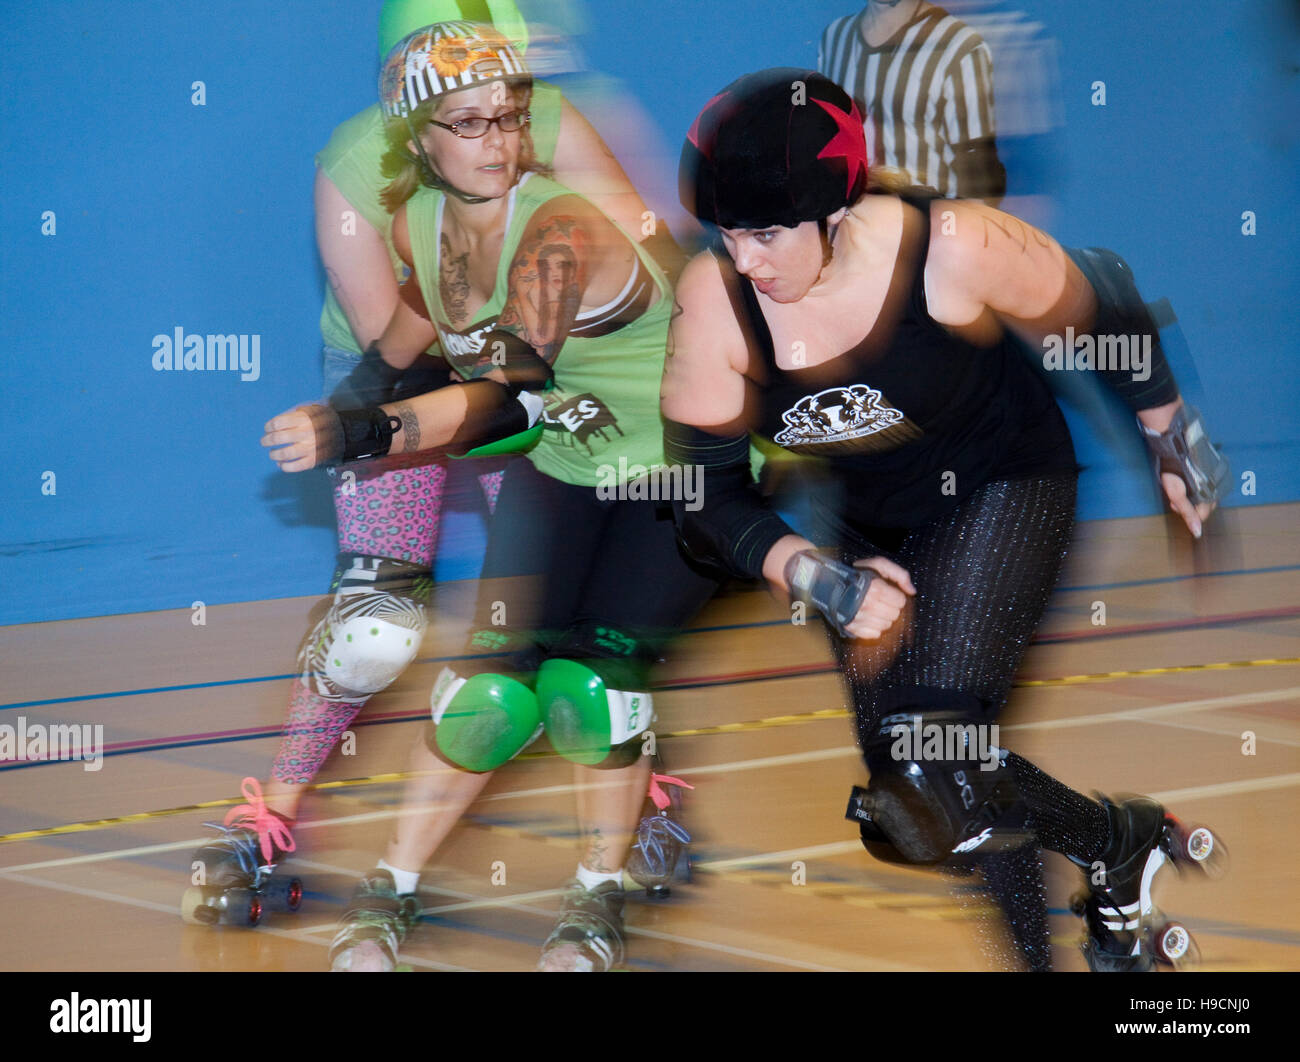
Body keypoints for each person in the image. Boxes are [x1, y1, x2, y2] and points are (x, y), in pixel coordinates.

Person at [665, 69, 1228, 971]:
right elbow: (702, 501)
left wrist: (1170, 431)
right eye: (726, 234)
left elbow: (1103, 301)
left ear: (835, 209)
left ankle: (1080, 899)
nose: (745, 261)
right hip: (867, 522)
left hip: (1005, 485)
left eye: (766, 232)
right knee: (915, 804)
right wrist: (817, 574)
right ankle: (1113, 843)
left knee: (939, 761)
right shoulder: (719, 305)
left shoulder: (951, 249)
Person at [183, 0, 687, 927]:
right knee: (377, 623)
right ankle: (275, 815)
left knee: (564, 611)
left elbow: (643, 250)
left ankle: (624, 781)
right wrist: (355, 424)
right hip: (417, 374)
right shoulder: (352, 172)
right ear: (418, 119)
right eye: (472, 108)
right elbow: (406, 347)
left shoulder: (534, 122)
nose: (504, 131)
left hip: (530, 373)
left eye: (512, 99)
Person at [819, 0, 1006, 201]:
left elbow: (977, 165)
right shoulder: (835, 37)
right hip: (857, 220)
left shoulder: (959, 45)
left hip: (933, 221)